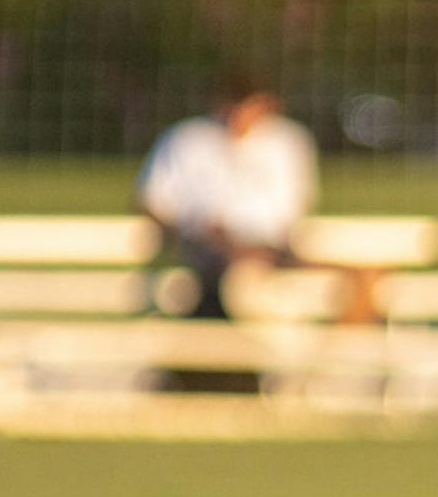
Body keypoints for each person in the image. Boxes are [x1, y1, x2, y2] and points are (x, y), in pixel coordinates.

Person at [136, 76, 319, 318]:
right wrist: (187, 236)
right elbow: (151, 201)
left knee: (362, 278)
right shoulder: (187, 140)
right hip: (208, 252)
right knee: (237, 271)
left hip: (268, 251)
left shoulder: (287, 142)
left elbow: (291, 213)